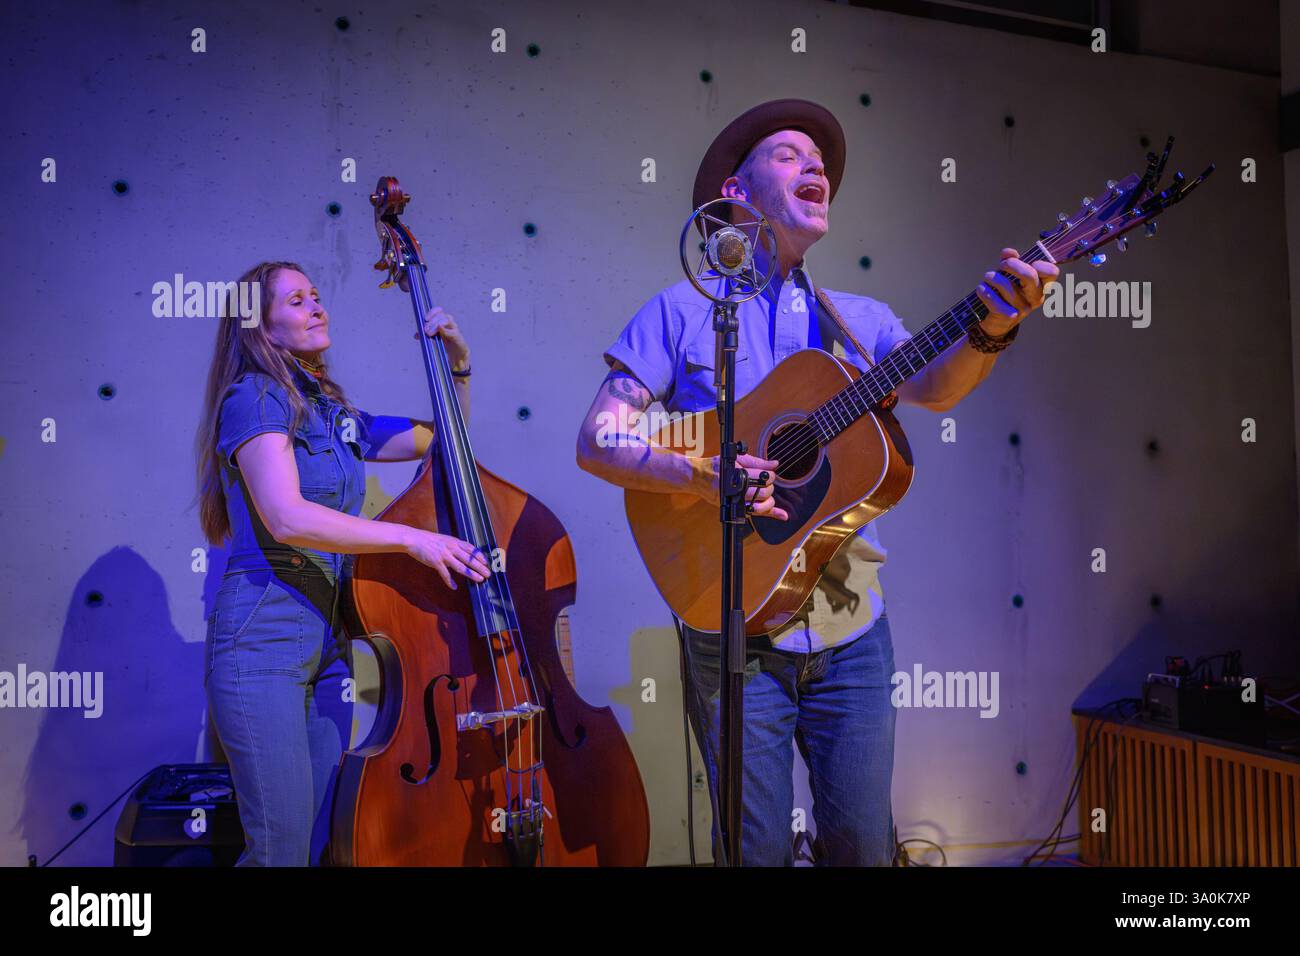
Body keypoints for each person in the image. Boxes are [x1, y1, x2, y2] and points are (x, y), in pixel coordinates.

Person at [575, 99, 1058, 865]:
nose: (817, 168)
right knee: (757, 851)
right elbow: (600, 438)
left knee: (863, 848)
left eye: (821, 162)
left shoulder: (858, 319)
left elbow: (935, 384)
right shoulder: (682, 312)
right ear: (735, 192)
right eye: (791, 155)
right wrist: (699, 474)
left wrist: (993, 326)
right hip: (733, 629)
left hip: (852, 627)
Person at [194, 260, 491, 866]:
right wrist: (414, 542)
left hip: (328, 643)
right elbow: (286, 517)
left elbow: (440, 441)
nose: (316, 307)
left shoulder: (328, 411)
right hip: (262, 644)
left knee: (330, 843)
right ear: (261, 326)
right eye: (297, 300)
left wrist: (456, 362)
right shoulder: (254, 397)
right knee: (279, 850)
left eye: (317, 296)